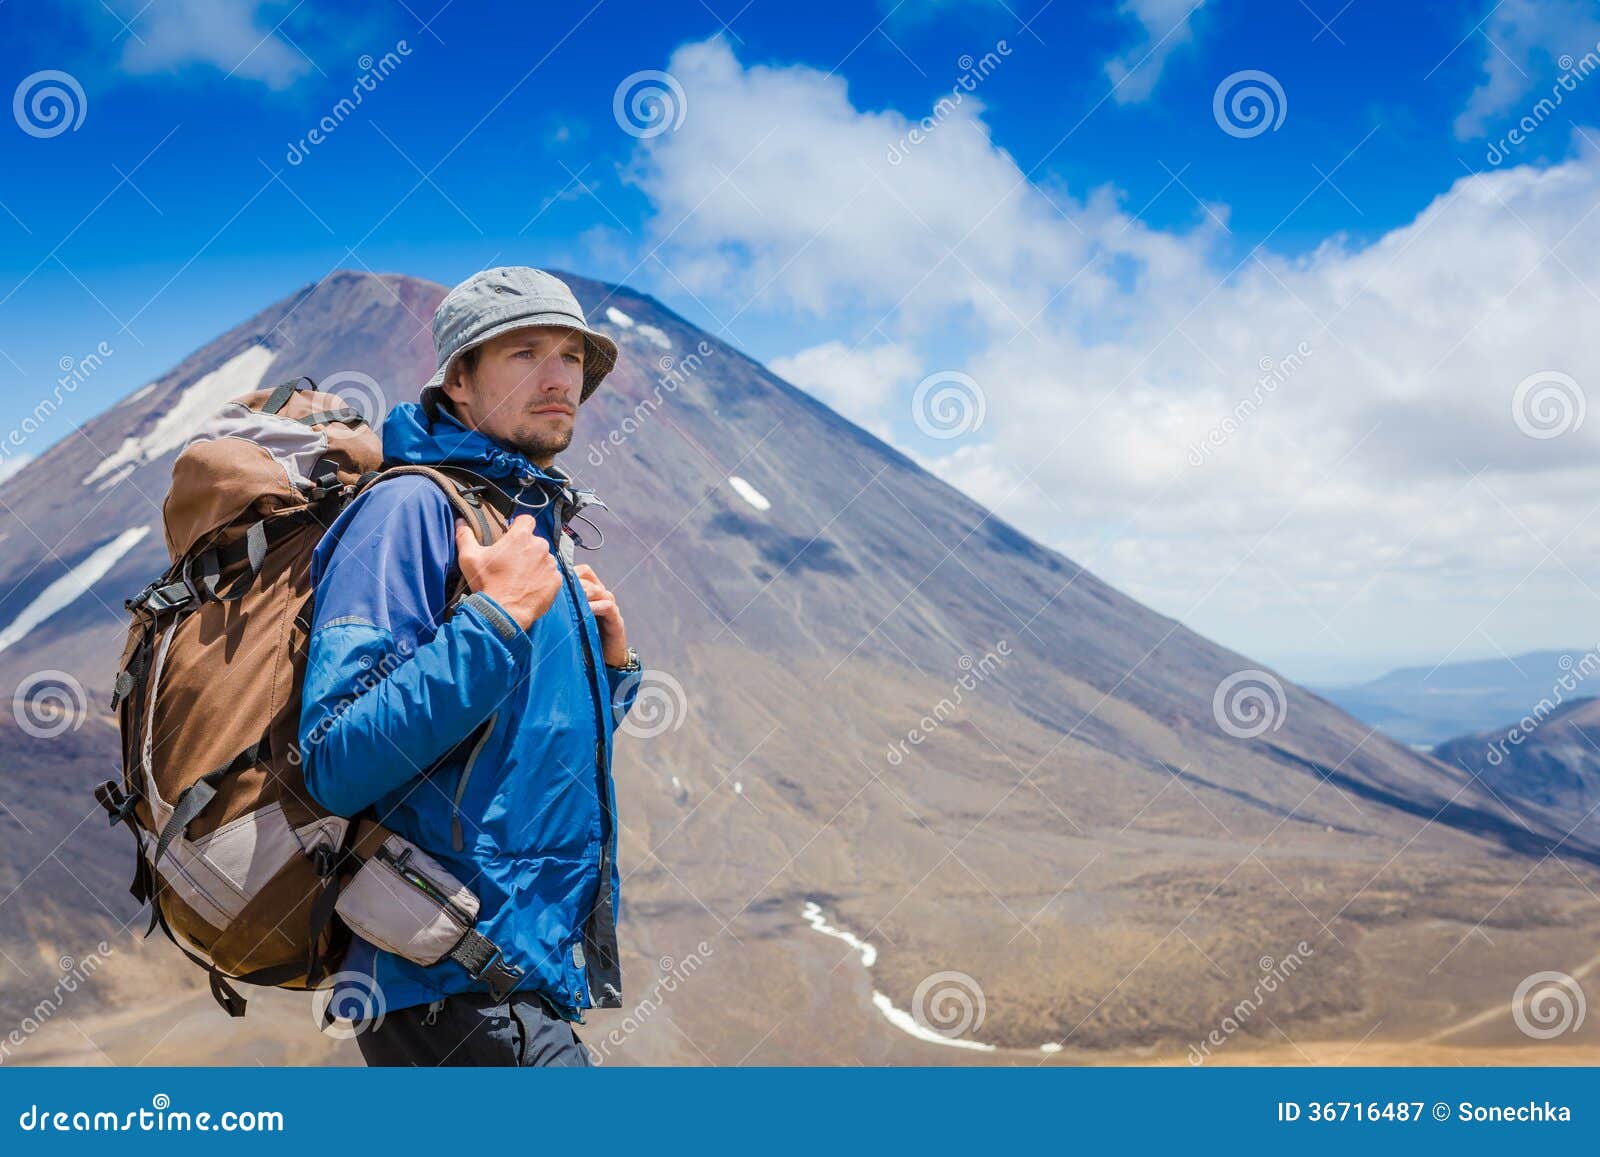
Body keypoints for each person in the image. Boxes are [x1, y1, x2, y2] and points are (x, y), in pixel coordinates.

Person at [298, 267, 642, 1066]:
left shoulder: (522, 520)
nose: (560, 377)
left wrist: (612, 671)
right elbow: (336, 759)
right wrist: (490, 624)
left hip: (522, 978)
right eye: (524, 352)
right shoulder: (408, 511)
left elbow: (502, 753)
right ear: (457, 379)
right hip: (449, 985)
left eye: (572, 355)